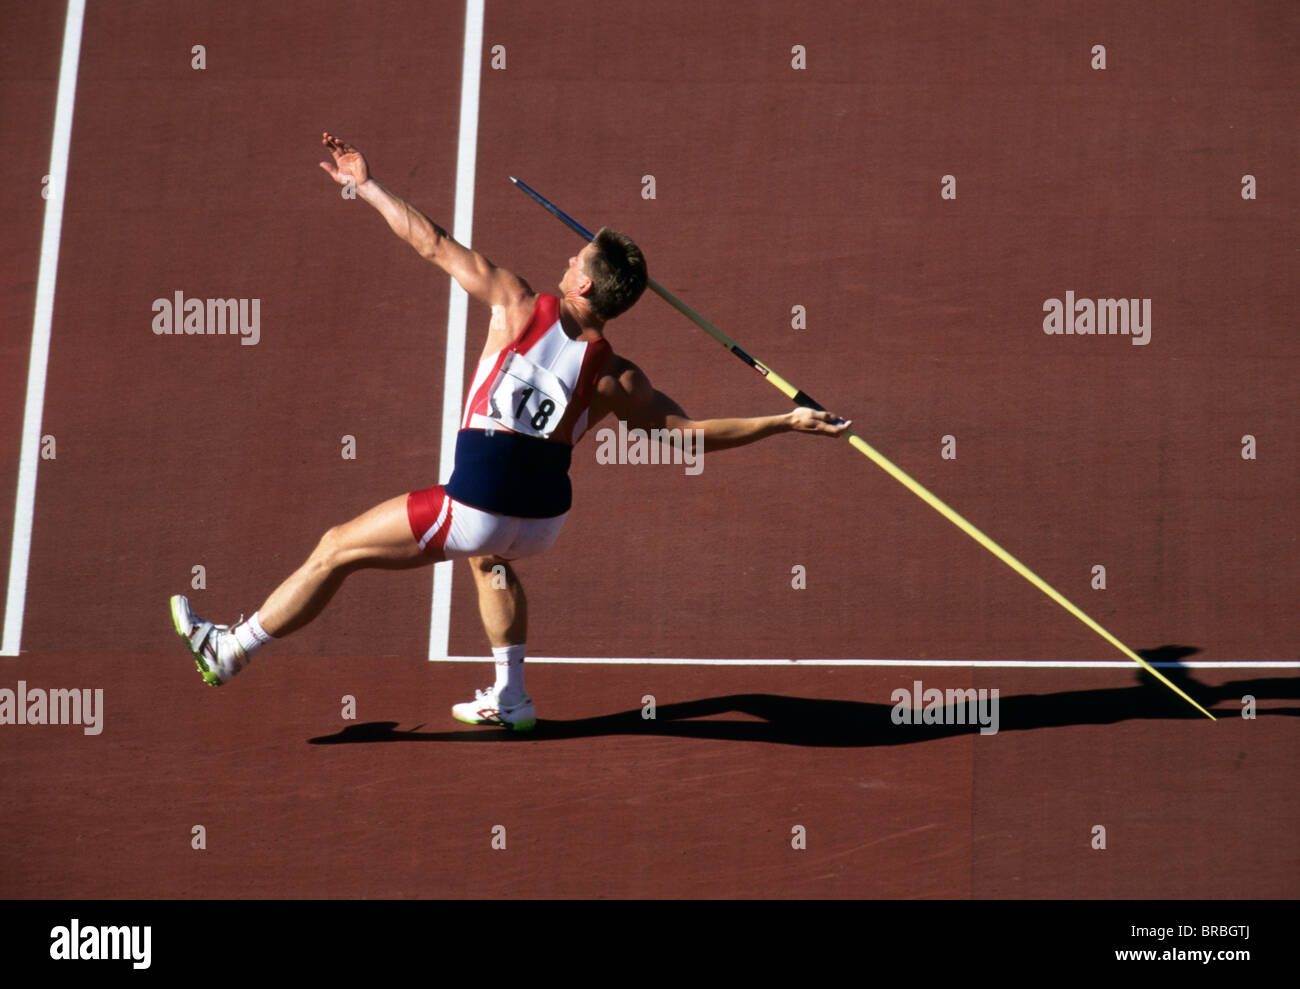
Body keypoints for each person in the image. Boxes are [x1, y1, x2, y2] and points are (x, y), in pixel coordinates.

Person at [169, 132, 849, 731]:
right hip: (542, 521)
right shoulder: (619, 376)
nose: (571, 257)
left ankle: (230, 649)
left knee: (335, 548)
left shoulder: (515, 300)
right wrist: (786, 421)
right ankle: (512, 695)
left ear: (584, 285)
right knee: (487, 556)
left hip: (480, 504)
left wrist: (366, 185)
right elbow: (688, 433)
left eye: (579, 257)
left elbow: (430, 242)